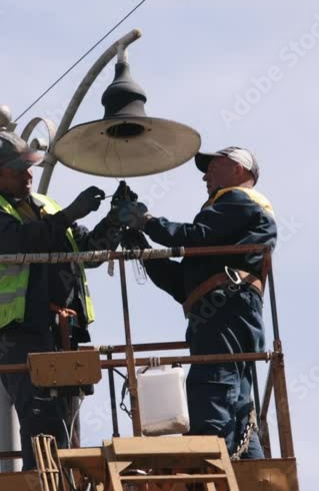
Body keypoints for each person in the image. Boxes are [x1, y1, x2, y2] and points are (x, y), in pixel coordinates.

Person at [0, 130, 123, 470]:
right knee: (40, 419)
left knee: (67, 423)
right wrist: (70, 214)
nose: (29, 174)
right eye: (20, 169)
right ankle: (42, 482)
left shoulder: (46, 206)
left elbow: (89, 254)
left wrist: (116, 221)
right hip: (19, 332)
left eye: (30, 167)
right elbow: (17, 243)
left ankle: (62, 480)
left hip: (65, 329)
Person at [117, 146, 276, 459]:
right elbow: (182, 285)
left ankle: (208, 467)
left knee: (213, 390)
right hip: (221, 311)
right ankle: (250, 471)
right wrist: (145, 251)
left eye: (213, 166)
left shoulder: (239, 200)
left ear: (238, 170)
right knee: (237, 406)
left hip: (226, 310)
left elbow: (194, 235)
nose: (205, 175)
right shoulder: (225, 228)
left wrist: (146, 221)